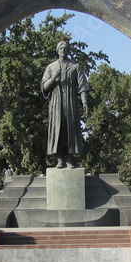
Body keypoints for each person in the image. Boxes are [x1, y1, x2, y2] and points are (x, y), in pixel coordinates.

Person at [41, 38, 89, 169]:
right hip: (55, 104)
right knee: (58, 129)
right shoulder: (51, 67)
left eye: (66, 48)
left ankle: (69, 158)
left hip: (71, 103)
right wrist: (53, 79)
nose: (64, 50)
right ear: (57, 50)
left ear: (69, 51)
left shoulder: (76, 67)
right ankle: (60, 159)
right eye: (61, 48)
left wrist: (84, 102)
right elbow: (44, 87)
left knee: (70, 130)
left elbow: (83, 86)